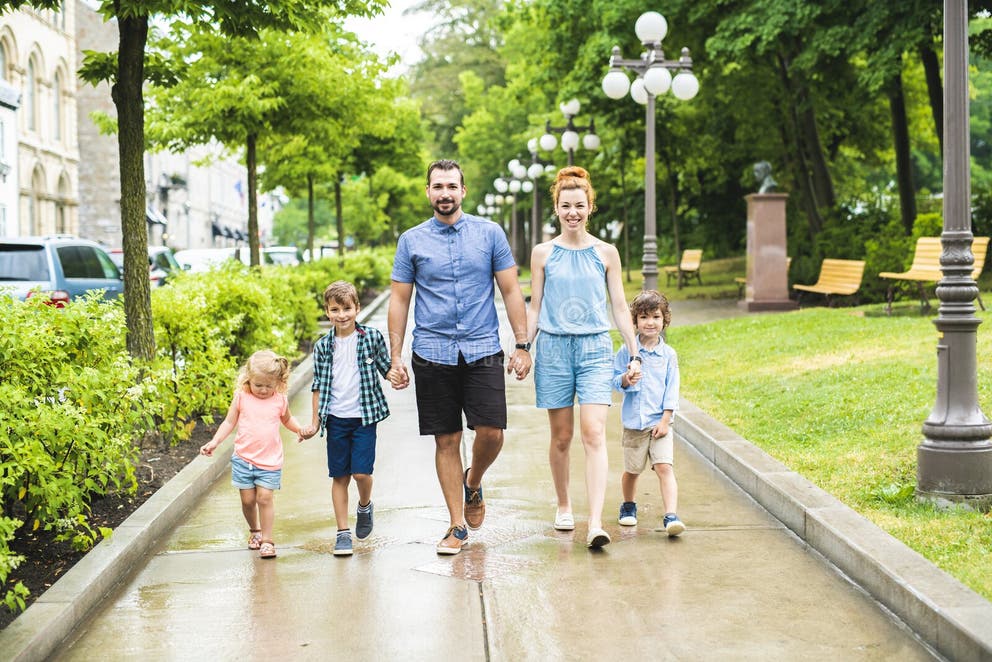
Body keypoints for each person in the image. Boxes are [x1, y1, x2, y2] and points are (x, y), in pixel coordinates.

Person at [387, 159, 532, 556]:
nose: (445, 193)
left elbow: (511, 291)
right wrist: (395, 356)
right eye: (438, 186)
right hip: (431, 352)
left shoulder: (490, 234)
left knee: (491, 431)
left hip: (483, 346)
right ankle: (456, 524)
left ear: (463, 191)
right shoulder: (411, 241)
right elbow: (400, 299)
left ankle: (474, 482)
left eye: (452, 186)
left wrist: (522, 345)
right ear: (428, 192)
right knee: (446, 438)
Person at [526, 166, 641, 549]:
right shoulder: (543, 254)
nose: (572, 212)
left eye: (579, 205)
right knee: (561, 437)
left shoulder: (606, 253)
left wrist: (634, 353)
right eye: (565, 205)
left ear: (590, 207)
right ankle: (564, 506)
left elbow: (620, 307)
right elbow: (535, 306)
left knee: (593, 433)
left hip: (594, 348)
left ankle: (594, 522)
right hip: (555, 350)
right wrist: (523, 346)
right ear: (556, 209)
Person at [302, 280, 392, 557]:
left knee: (361, 473)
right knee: (339, 476)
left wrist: (396, 375)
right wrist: (315, 422)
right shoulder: (323, 346)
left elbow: (385, 368)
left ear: (357, 308)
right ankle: (342, 533)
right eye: (335, 309)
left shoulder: (371, 338)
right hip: (336, 418)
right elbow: (318, 385)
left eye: (347, 308)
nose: (342, 315)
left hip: (365, 417)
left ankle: (364, 506)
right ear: (327, 312)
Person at [199, 350, 306, 559]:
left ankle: (267, 540)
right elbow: (229, 422)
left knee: (265, 498)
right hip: (243, 459)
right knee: (248, 501)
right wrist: (215, 442)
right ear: (249, 379)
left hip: (270, 460)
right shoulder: (242, 398)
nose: (264, 390)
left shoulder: (280, 400)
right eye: (259, 385)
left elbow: (287, 420)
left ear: (278, 382)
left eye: (269, 385)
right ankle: (255, 531)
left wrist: (299, 429)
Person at [612, 290, 685, 537]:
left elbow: (672, 389)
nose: (650, 322)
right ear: (635, 322)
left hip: (660, 423)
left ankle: (671, 516)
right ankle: (628, 505)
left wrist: (666, 420)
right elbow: (614, 380)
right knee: (632, 470)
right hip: (634, 423)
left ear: (665, 320)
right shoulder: (627, 351)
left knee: (665, 467)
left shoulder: (669, 355)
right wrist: (626, 379)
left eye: (656, 316)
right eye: (644, 317)